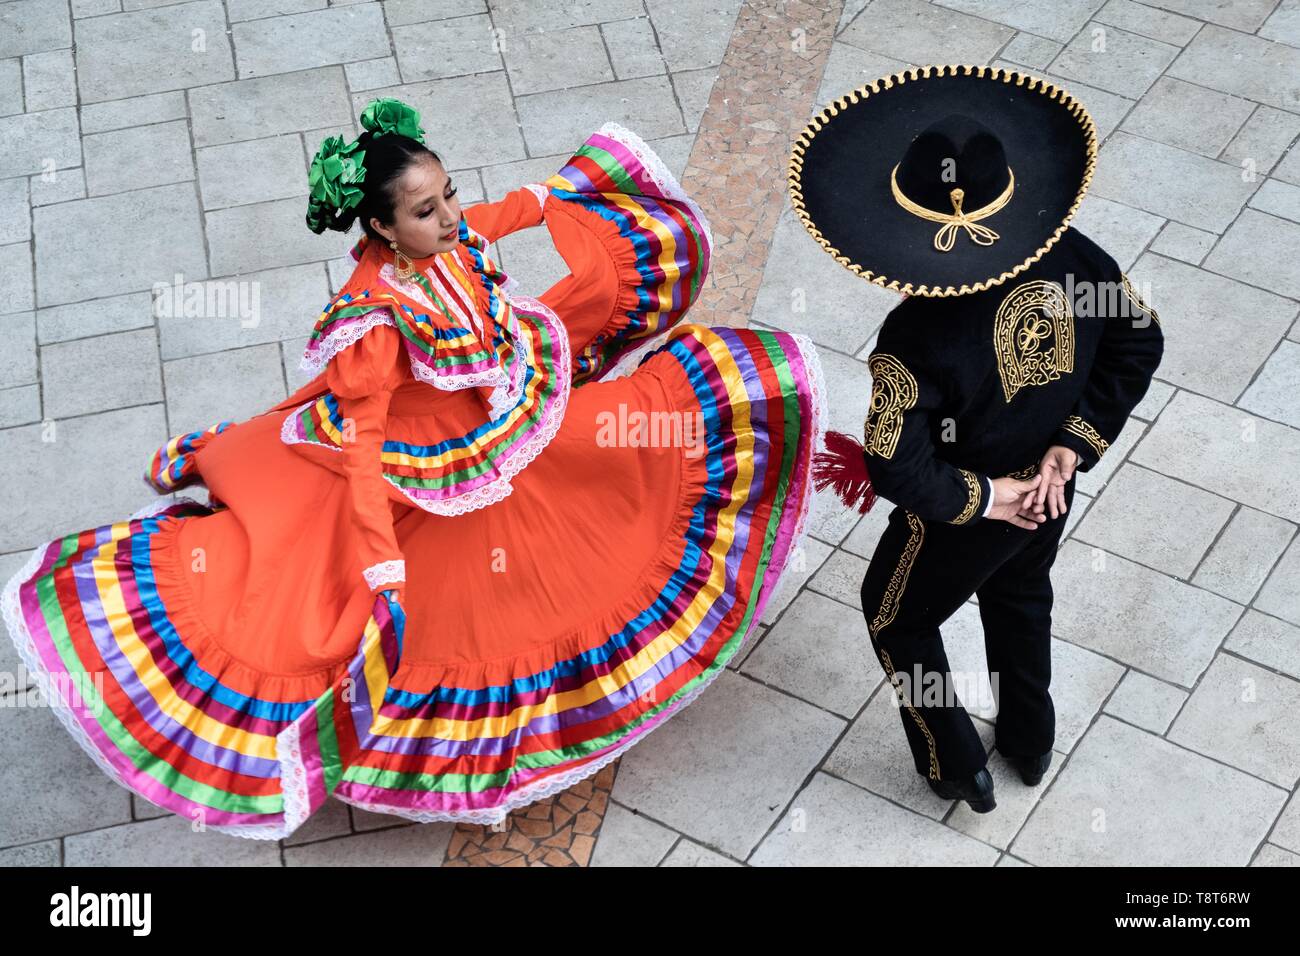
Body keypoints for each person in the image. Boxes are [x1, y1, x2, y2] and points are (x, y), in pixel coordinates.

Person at [2, 98, 827, 839]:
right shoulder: (373, 321)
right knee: (450, 607)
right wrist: (379, 556)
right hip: (414, 471)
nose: (450, 217)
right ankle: (478, 757)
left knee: (634, 455)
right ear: (384, 230)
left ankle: (524, 731)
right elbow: (362, 454)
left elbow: (493, 221)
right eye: (427, 210)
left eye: (449, 195)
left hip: (497, 432)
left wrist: (550, 197)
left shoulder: (449, 236)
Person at [792, 66, 1163, 812]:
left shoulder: (912, 337)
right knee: (1021, 595)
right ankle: (1028, 739)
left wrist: (990, 497)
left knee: (897, 616)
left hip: (972, 511)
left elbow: (898, 465)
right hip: (1053, 487)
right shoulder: (1073, 254)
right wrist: (1070, 449)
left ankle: (956, 761)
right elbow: (1139, 340)